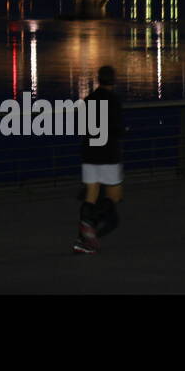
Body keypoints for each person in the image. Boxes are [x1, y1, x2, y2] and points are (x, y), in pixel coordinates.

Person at [73, 65, 123, 254]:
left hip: (89, 153)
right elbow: (117, 128)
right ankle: (88, 227)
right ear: (114, 80)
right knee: (113, 197)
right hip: (108, 154)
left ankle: (83, 239)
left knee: (91, 195)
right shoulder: (114, 101)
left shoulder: (88, 100)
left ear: (99, 79)